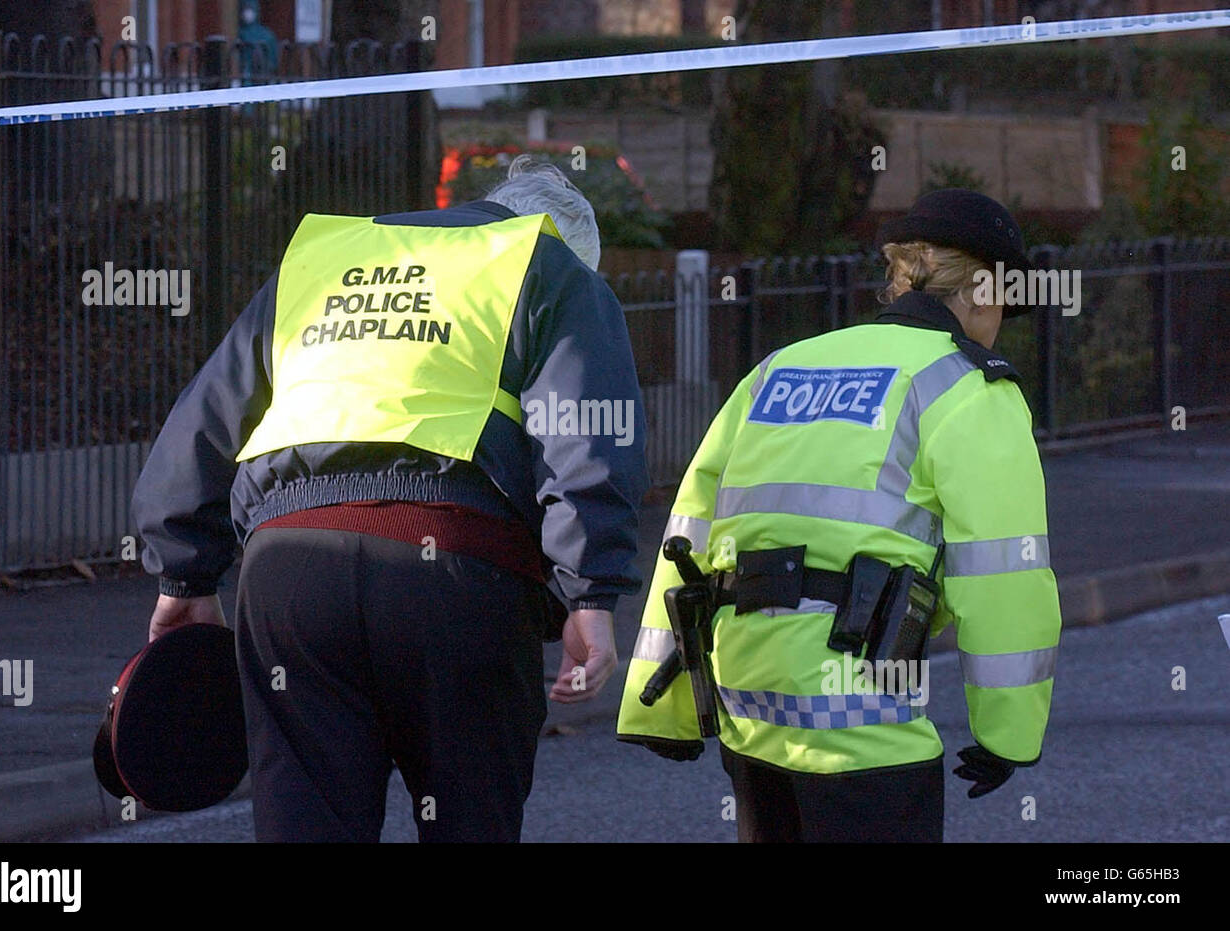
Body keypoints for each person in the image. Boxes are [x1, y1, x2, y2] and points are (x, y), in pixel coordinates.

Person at [131, 155, 649, 842]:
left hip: (288, 576)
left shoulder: (332, 256)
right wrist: (590, 595)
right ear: (566, 241)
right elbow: (586, 431)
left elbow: (207, 415)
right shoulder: (549, 265)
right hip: (459, 576)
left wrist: (184, 572)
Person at [616, 188, 1061, 843]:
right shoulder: (969, 389)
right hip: (859, 710)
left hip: (752, 698)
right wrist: (1009, 731)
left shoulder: (780, 370)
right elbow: (1002, 572)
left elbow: (689, 533)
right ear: (984, 289)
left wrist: (667, 711)